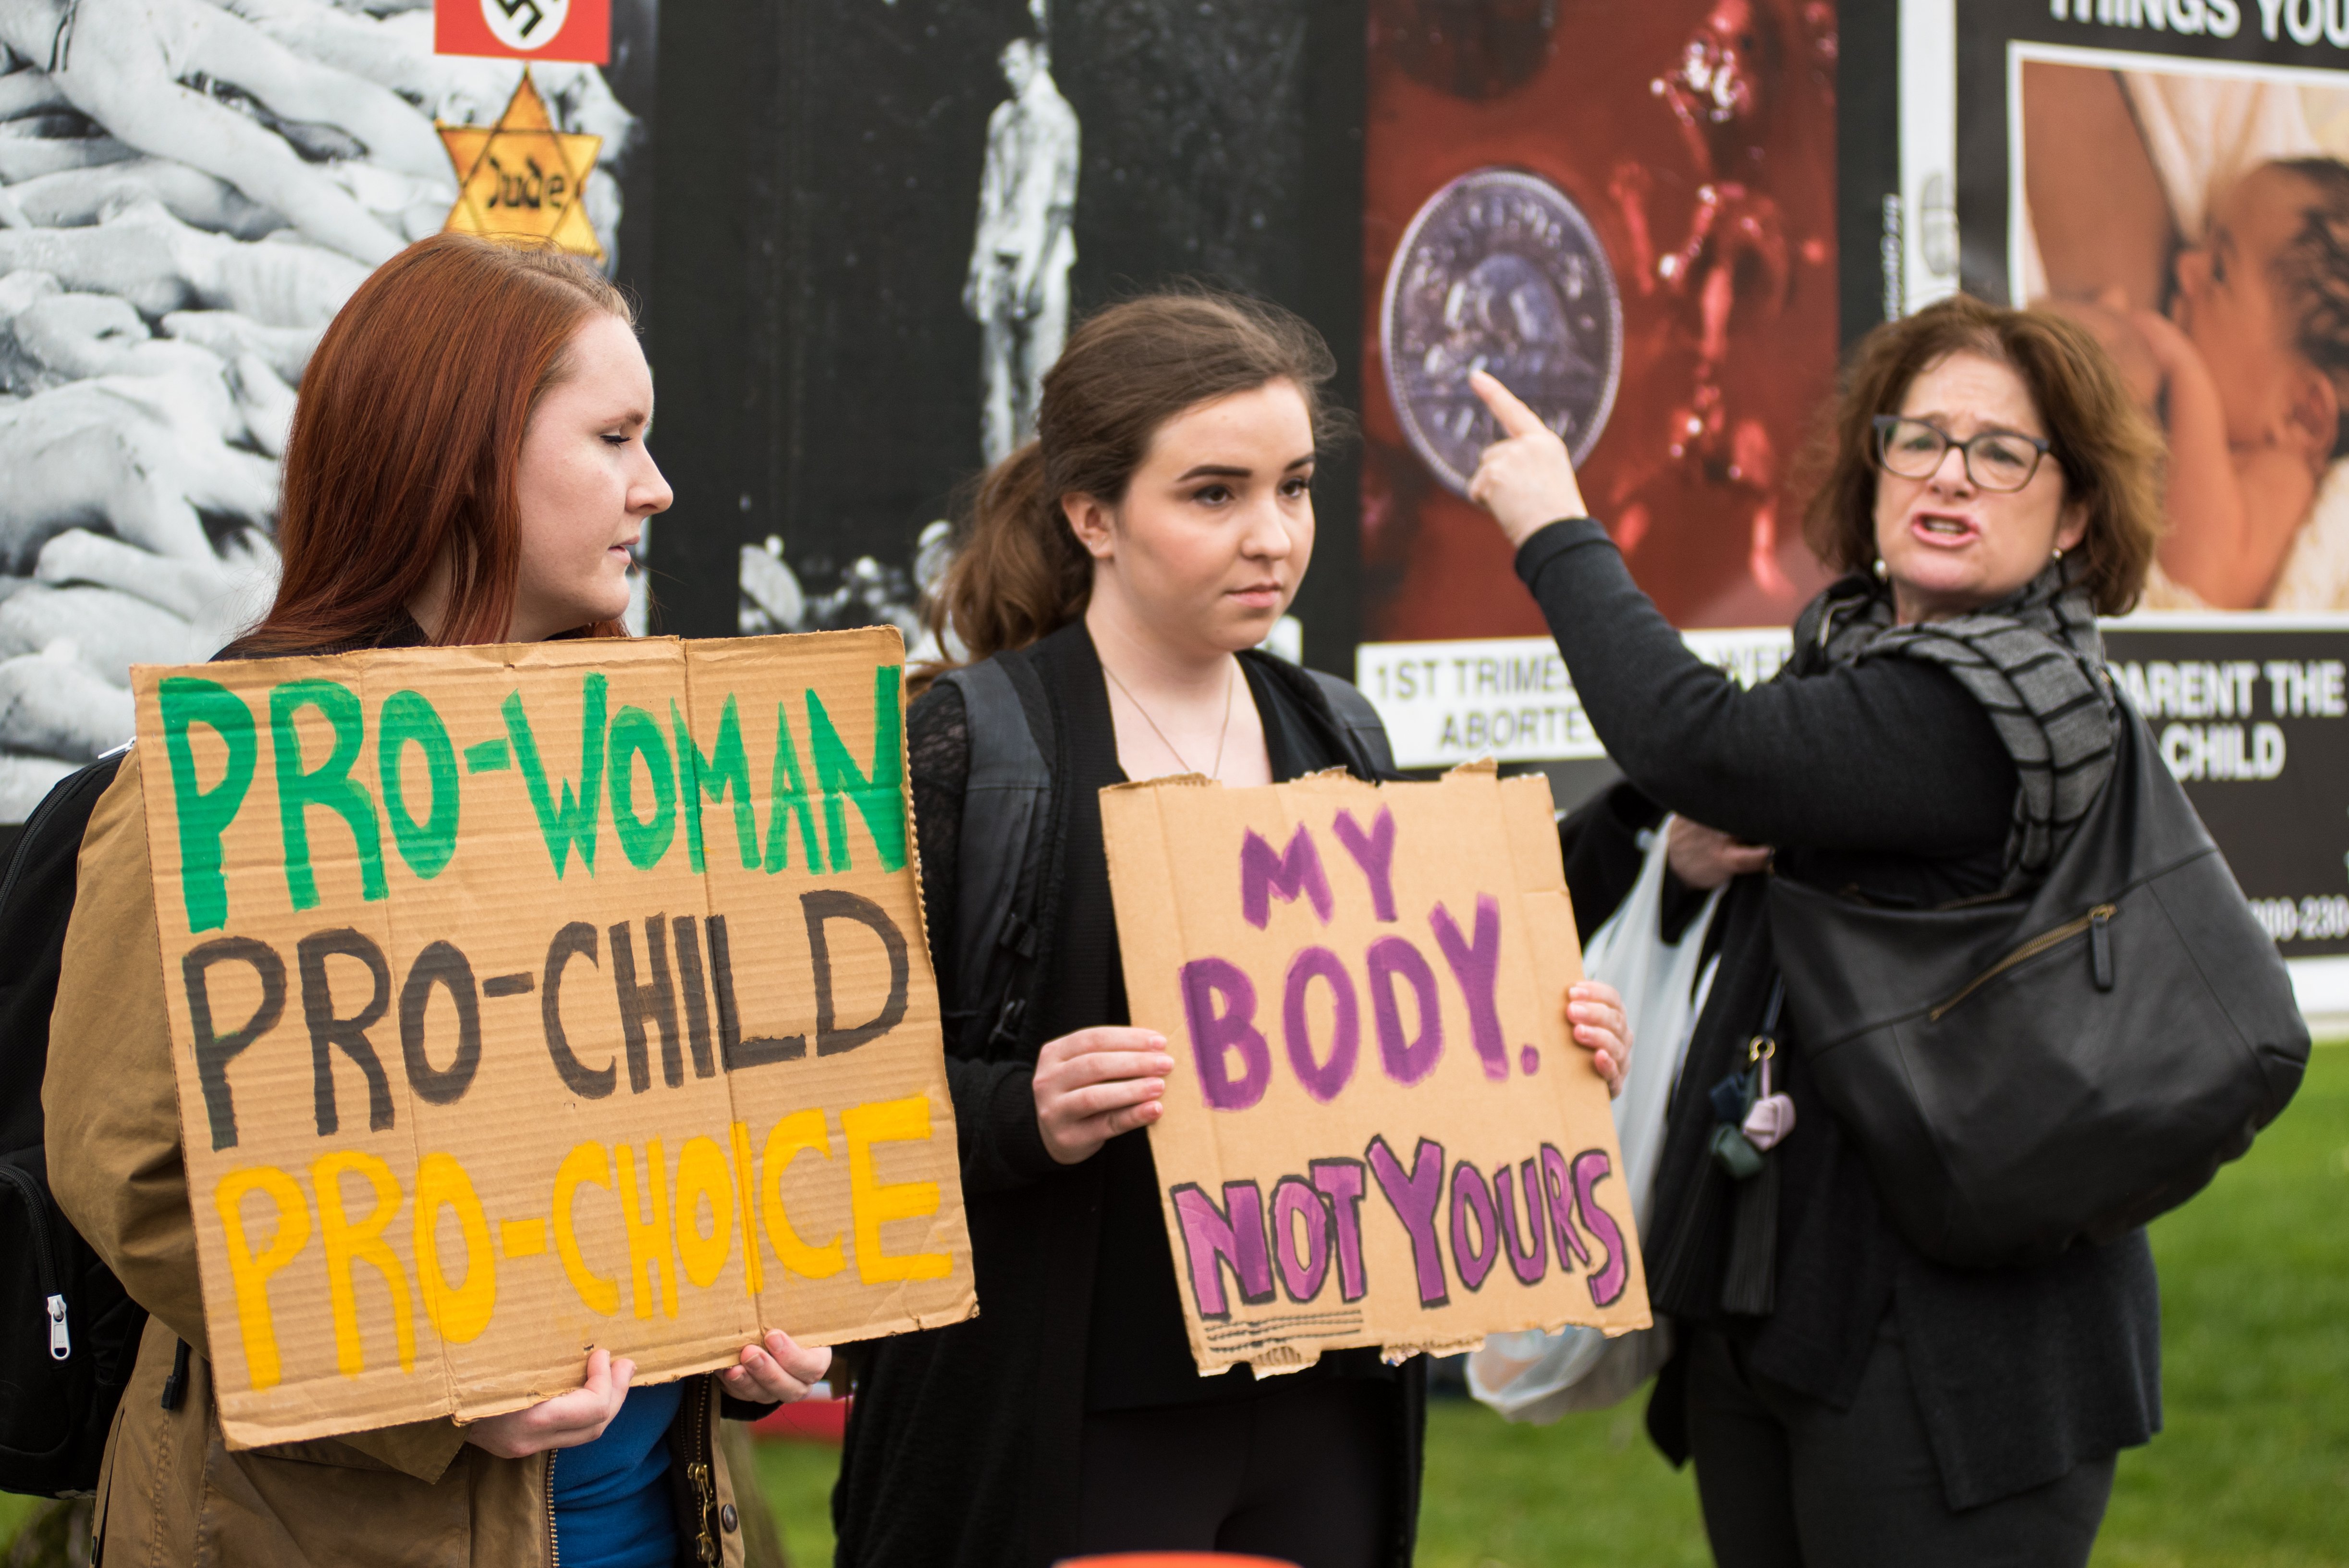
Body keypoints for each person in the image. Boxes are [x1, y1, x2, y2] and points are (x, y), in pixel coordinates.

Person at [42, 233, 828, 1568]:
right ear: (464, 457)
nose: (659, 489)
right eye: (616, 437)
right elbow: (132, 1174)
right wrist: (430, 1386)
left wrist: (742, 1327)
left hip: (647, 1518)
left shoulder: (646, 764)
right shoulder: (225, 784)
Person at [831, 290, 1634, 1568]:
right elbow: (821, 1107)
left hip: (1328, 1409)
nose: (1272, 537)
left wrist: (1541, 1048)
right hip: (1074, 1416)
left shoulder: (1340, 730)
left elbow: (1398, 1056)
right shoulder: (968, 750)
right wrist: (1014, 1111)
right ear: (1093, 516)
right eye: (1213, 494)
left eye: (1297, 488)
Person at [1465, 293, 2165, 1567]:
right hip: (1778, 1310)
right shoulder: (1849, 659)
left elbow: (1700, 749)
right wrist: (1679, 854)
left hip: (1956, 1363)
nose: (1949, 474)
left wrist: (1554, 529)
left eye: (2001, 450)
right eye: (1918, 438)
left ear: (2072, 516)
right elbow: (1667, 823)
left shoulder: (2003, 701)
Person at [963, 35, 1079, 466]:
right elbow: (990, 196)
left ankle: (1034, 503)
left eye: (1017, 62)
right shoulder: (1003, 120)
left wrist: (1039, 271)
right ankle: (998, 496)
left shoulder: (1060, 118)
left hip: (1041, 266)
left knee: (1041, 386)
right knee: (994, 390)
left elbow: (1060, 205)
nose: (1009, 72)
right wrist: (979, 269)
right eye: (1005, 64)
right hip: (999, 262)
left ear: (1037, 59)